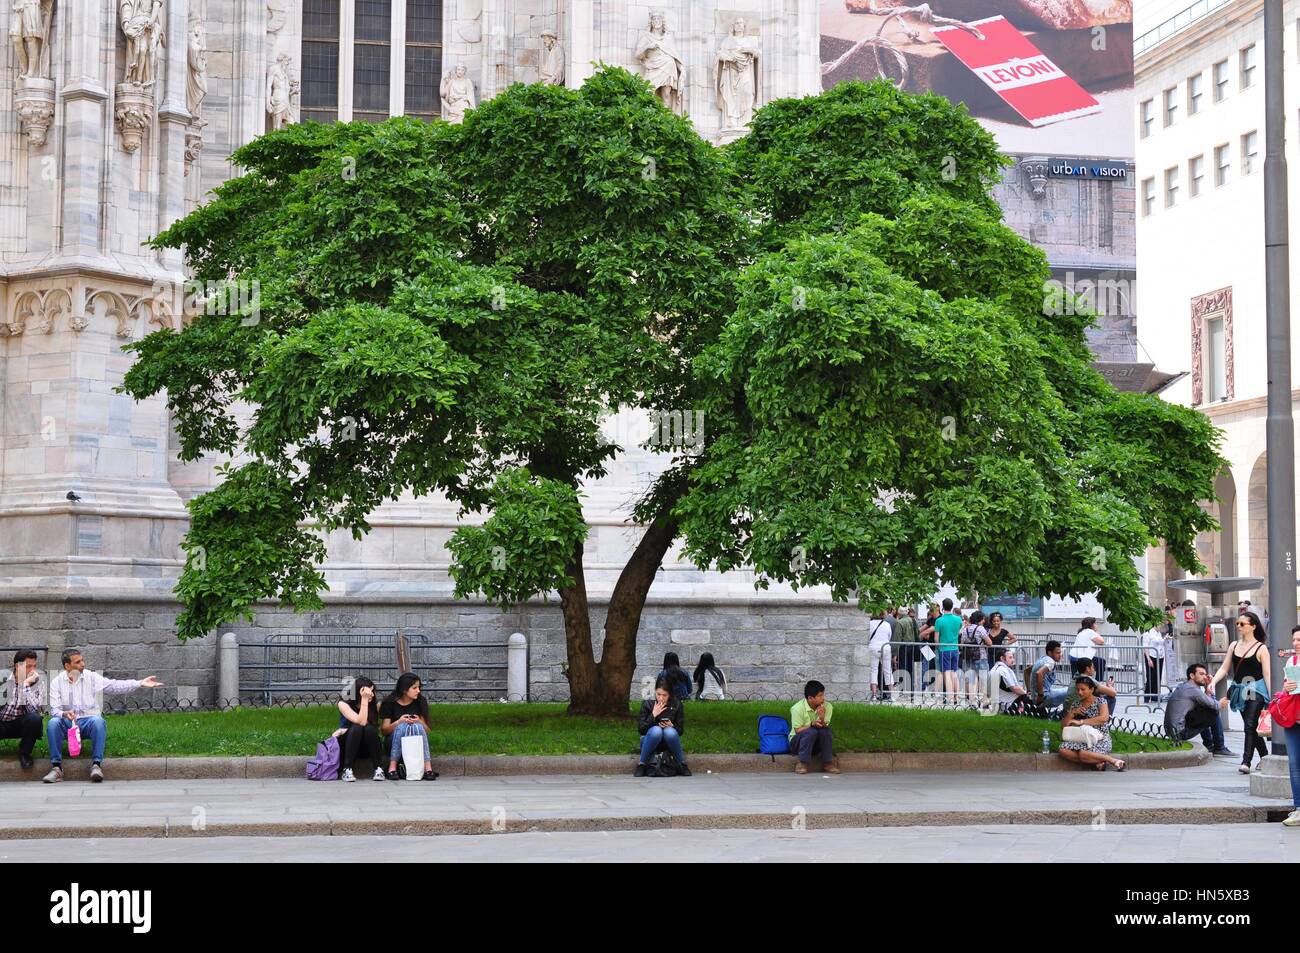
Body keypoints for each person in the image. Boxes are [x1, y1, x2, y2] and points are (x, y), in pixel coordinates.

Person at [43, 649, 162, 783]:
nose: (83, 664)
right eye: (78, 662)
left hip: (88, 722)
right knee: (53, 723)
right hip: (67, 722)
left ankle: (96, 766)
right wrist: (64, 714)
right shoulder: (56, 682)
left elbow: (114, 686)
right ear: (67, 666)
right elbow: (54, 709)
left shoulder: (91, 677)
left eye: (82, 660)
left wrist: (139, 683)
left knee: (98, 721)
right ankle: (57, 768)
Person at [1208, 610, 1272, 774]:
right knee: (1250, 726)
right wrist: (1213, 682)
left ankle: (1246, 761)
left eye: (1242, 624)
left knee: (1250, 724)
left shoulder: (1261, 648)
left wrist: (1273, 698)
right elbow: (1224, 667)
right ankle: (1265, 757)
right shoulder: (1233, 645)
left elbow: (1267, 674)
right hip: (1240, 689)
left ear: (1253, 626)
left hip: (1256, 689)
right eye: (1237, 623)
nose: (1238, 626)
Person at [1058, 676, 1127, 771]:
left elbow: (1104, 718)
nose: (1079, 692)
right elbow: (1064, 725)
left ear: (1091, 689)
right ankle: (1097, 761)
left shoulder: (1100, 701)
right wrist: (1072, 713)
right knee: (1063, 750)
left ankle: (1113, 760)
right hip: (1082, 737)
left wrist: (1081, 722)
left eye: (1083, 689)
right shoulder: (1076, 704)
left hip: (1099, 738)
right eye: (1078, 689)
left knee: (1083, 753)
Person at [380, 672, 437, 781]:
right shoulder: (390, 703)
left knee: (418, 727)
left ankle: (428, 769)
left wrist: (419, 722)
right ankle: (392, 768)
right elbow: (384, 731)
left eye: (419, 687)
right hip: (392, 743)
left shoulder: (420, 701)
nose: (418, 691)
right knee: (402, 726)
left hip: (414, 744)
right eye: (414, 688)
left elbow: (427, 731)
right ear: (404, 689)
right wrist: (398, 722)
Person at [1164, 663, 1230, 747]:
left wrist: (1207, 688)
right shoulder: (1192, 689)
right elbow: (1214, 705)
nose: (1205, 677)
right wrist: (1220, 703)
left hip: (1172, 731)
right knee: (1213, 712)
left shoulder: (1185, 686)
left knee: (1205, 710)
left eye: (1205, 674)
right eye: (1201, 674)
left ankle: (1209, 744)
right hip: (1180, 733)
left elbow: (1206, 703)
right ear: (1192, 675)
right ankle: (1219, 747)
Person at [635, 677, 690, 777]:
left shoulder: (677, 704)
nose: (661, 698)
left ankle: (682, 764)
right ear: (655, 692)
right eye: (658, 694)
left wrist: (672, 726)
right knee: (656, 730)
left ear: (670, 695)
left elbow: (680, 731)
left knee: (670, 731)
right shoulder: (648, 704)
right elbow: (641, 730)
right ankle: (641, 764)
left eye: (665, 695)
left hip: (668, 741)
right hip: (650, 740)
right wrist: (653, 715)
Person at [0, 650, 44, 769]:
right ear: (17, 666)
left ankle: (24, 754)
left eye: (34, 666)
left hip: (21, 724)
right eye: (28, 666)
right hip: (2, 722)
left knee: (35, 719)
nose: (32, 670)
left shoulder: (38, 683)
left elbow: (34, 708)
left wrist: (25, 685)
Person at [337, 676, 385, 781]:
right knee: (357, 727)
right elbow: (361, 721)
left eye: (373, 691)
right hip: (349, 745)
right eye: (368, 691)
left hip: (367, 746)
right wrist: (364, 699)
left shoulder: (376, 705)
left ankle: (379, 768)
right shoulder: (343, 704)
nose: (371, 694)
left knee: (369, 729)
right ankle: (347, 769)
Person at [1275, 627, 1300, 827]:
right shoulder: (1291, 661)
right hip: (1293, 719)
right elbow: (1286, 688)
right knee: (1294, 765)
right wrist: (1285, 688)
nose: (1296, 643)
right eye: (1294, 639)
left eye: (1299, 639)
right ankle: (1298, 808)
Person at [789, 680, 839, 774]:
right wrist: (811, 725)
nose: (823, 698)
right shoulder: (797, 708)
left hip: (815, 744)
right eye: (820, 696)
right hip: (797, 744)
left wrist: (822, 718)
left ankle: (828, 763)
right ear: (810, 698)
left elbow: (824, 726)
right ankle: (802, 763)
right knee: (811, 731)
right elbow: (798, 730)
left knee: (826, 731)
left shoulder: (827, 706)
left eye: (823, 695)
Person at [933, 598, 963, 702]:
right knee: (954, 672)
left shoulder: (939, 620)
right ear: (952, 606)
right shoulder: (958, 619)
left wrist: (938, 645)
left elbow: (936, 638)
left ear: (942, 606)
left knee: (946, 673)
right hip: (955, 649)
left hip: (944, 649)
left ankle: (949, 697)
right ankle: (956, 697)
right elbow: (959, 632)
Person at [958, 610, 991, 704]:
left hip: (968, 657)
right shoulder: (980, 629)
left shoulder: (965, 629)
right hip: (981, 657)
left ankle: (972, 701)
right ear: (980, 620)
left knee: (971, 680)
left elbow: (962, 644)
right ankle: (983, 700)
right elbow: (989, 643)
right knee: (983, 680)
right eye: (983, 619)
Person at [989, 648, 1033, 714]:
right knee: (1030, 698)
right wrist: (1026, 693)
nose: (1013, 660)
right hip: (1007, 704)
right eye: (1010, 658)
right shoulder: (1003, 670)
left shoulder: (992, 669)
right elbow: (1015, 688)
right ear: (1002, 658)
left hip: (996, 704)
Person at [1032, 640, 1068, 710]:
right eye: (1057, 653)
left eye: (1060, 652)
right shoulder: (1051, 662)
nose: (1060, 655)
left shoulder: (1041, 659)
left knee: (1068, 689)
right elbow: (1039, 673)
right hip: (1044, 698)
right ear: (1050, 653)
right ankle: (1068, 714)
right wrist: (1040, 695)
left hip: (1035, 697)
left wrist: (1029, 691)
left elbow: (1026, 671)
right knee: (1074, 691)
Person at [892, 606, 919, 697]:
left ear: (899, 613)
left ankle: (904, 689)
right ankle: (911, 690)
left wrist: (894, 654)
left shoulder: (900, 623)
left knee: (903, 668)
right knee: (911, 668)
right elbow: (917, 634)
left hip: (903, 647)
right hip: (912, 646)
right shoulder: (913, 621)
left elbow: (897, 638)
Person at [866, 610, 893, 699]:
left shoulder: (869, 624)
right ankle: (891, 694)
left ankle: (874, 694)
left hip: (873, 647)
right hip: (885, 648)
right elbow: (889, 636)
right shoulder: (887, 625)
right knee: (888, 671)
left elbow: (867, 636)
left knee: (874, 670)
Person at [1142, 626, 1166, 703]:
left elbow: (1161, 643)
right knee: (1150, 677)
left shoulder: (1159, 634)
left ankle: (1155, 696)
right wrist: (1148, 659)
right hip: (1151, 656)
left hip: (1160, 656)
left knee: (1158, 677)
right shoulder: (1148, 633)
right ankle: (1147, 696)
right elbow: (1145, 647)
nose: (1161, 626)